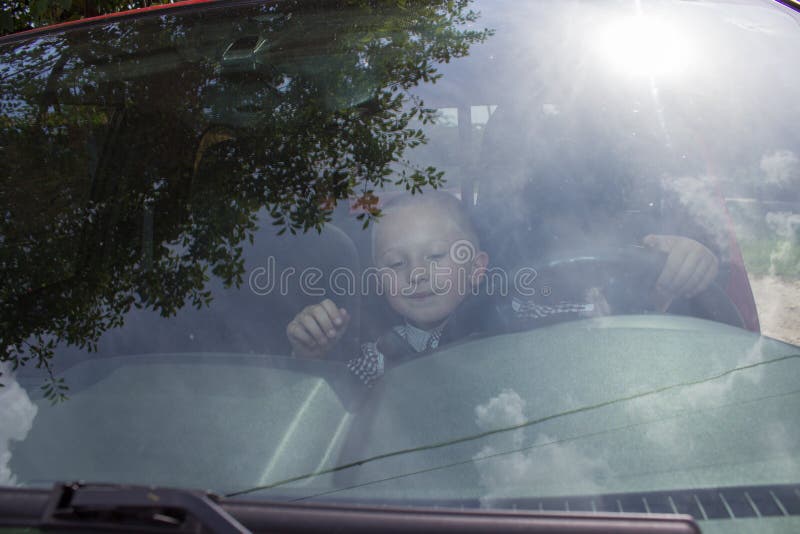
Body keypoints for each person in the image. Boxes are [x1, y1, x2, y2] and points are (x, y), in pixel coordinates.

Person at [287, 190, 719, 386]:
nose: (416, 273)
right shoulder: (377, 355)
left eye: (436, 257)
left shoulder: (526, 317)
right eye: (396, 264)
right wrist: (311, 356)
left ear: (477, 270)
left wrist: (666, 273)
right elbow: (333, 411)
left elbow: (605, 333)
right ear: (380, 283)